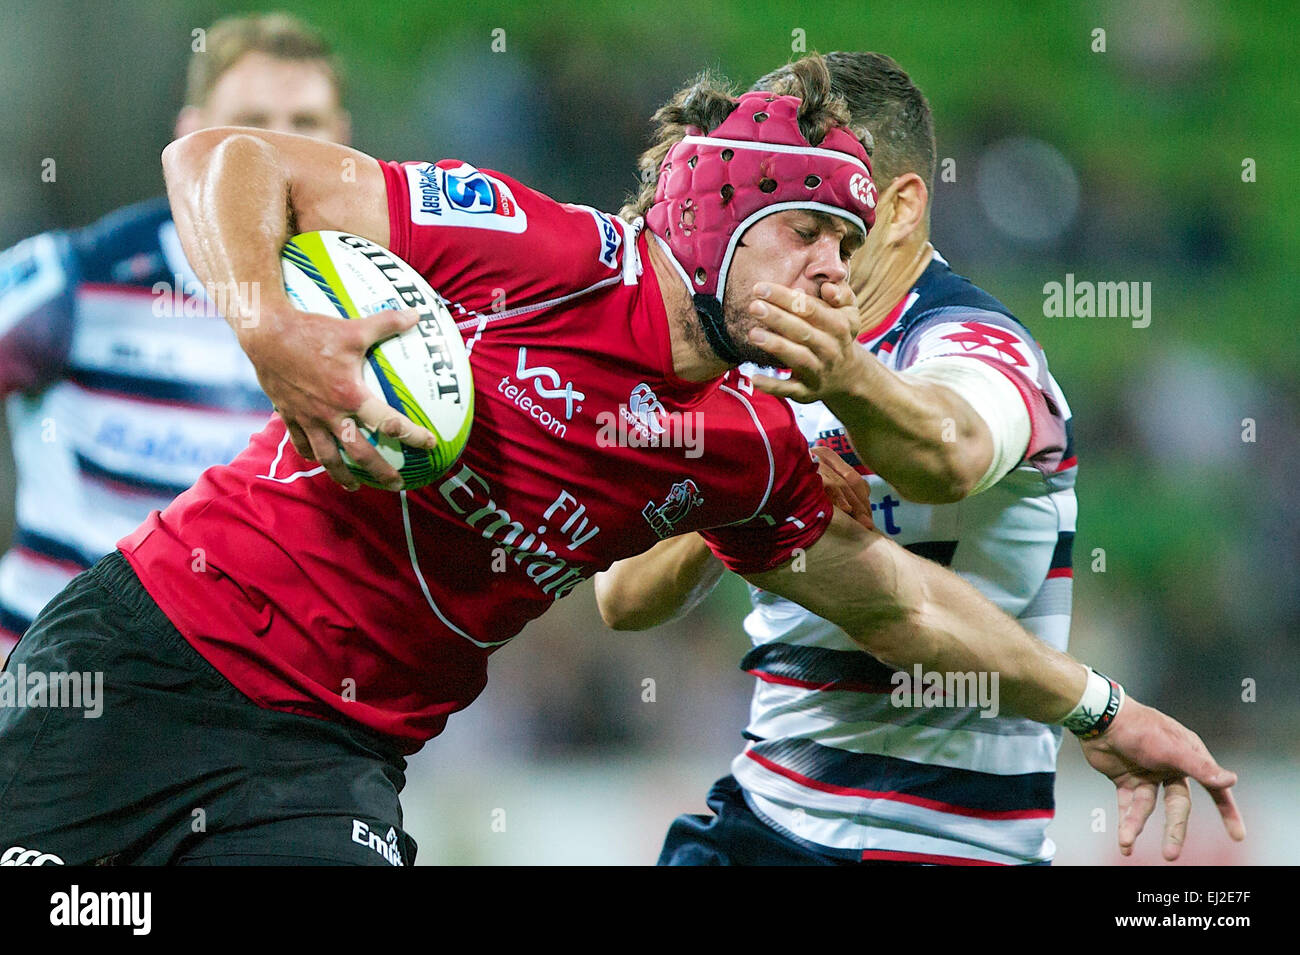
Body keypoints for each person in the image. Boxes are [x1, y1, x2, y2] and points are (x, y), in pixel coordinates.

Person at [0, 57, 1241, 865]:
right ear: (718, 213)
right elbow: (221, 162)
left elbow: (902, 600)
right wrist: (269, 330)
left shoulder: (745, 446)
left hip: (329, 760)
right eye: (805, 231)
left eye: (847, 242)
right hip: (145, 656)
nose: (829, 269)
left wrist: (1103, 708)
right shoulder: (542, 250)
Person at [596, 51, 1097, 866]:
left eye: (821, 202)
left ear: (897, 208)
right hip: (765, 818)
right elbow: (622, 595)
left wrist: (847, 380)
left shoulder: (972, 340)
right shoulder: (752, 351)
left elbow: (954, 451)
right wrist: (760, 468)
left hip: (954, 843)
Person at [0, 13, 349, 664]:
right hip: (53, 684)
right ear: (191, 138)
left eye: (304, 125)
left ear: (344, 144)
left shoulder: (369, 310)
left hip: (248, 707)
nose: (275, 151)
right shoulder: (77, 277)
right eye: (249, 125)